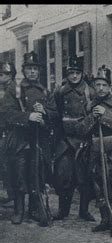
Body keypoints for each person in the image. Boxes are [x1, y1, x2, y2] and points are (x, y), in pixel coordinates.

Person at [76, 65, 112, 237]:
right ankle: (106, 220)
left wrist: (105, 116)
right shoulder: (88, 106)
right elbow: (79, 129)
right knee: (99, 188)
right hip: (94, 152)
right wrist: (92, 117)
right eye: (97, 85)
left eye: (104, 85)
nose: (100, 88)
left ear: (109, 87)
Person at [1, 51, 58, 225]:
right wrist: (28, 117)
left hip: (39, 139)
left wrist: (44, 114)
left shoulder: (45, 90)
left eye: (35, 69)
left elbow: (54, 115)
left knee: (37, 173)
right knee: (19, 172)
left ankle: (35, 209)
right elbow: (6, 113)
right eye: (29, 68)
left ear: (39, 71)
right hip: (19, 139)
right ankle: (19, 210)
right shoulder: (15, 89)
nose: (32, 72)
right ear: (24, 70)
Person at [51, 55, 95, 221]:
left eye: (77, 72)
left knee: (84, 177)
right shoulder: (60, 91)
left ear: (82, 73)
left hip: (84, 140)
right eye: (71, 73)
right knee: (64, 175)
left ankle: (83, 211)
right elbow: (56, 113)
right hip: (65, 140)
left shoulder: (89, 92)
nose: (74, 76)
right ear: (67, 74)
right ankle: (63, 210)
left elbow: (93, 115)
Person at [0, 61, 16, 207]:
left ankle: (12, 194)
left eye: (2, 74)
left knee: (6, 162)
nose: (0, 77)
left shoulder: (13, 89)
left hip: (9, 131)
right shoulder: (3, 88)